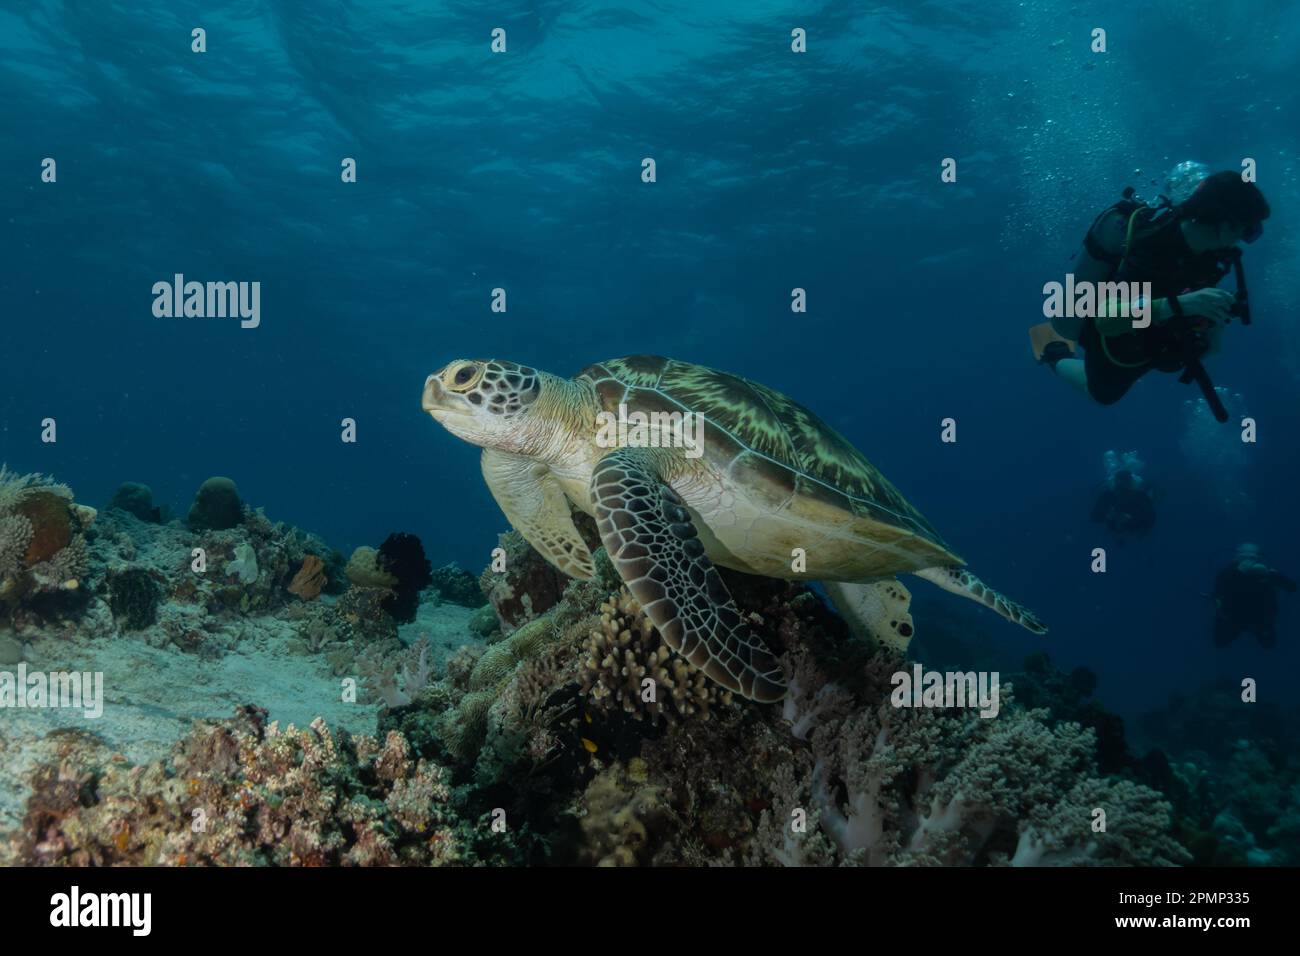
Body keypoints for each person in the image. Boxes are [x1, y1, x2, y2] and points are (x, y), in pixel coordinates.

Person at [1032, 170, 1270, 419]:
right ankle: (1053, 352)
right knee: (1102, 394)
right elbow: (1106, 321)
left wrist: (1212, 324)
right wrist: (1180, 305)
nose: (1244, 239)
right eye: (1247, 230)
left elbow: (1194, 296)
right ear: (1223, 224)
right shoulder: (1152, 246)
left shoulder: (1217, 253)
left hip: (1157, 333)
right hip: (1117, 330)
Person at [1212, 543, 1296, 648]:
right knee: (1219, 642)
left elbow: (1292, 587)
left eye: (1252, 557)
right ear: (1236, 557)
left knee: (1269, 645)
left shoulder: (1266, 572)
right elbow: (1218, 593)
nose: (1247, 561)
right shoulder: (1227, 573)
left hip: (1260, 618)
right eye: (1243, 557)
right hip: (1233, 617)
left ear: (1258, 558)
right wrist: (1238, 574)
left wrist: (1275, 576)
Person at [1090, 468, 1156, 541]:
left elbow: (1150, 518)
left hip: (1133, 528)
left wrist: (1131, 520)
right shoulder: (1107, 496)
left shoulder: (1140, 496)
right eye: (1119, 483)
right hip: (1116, 527)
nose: (1122, 486)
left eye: (1124, 482)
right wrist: (1108, 515)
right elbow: (1094, 517)